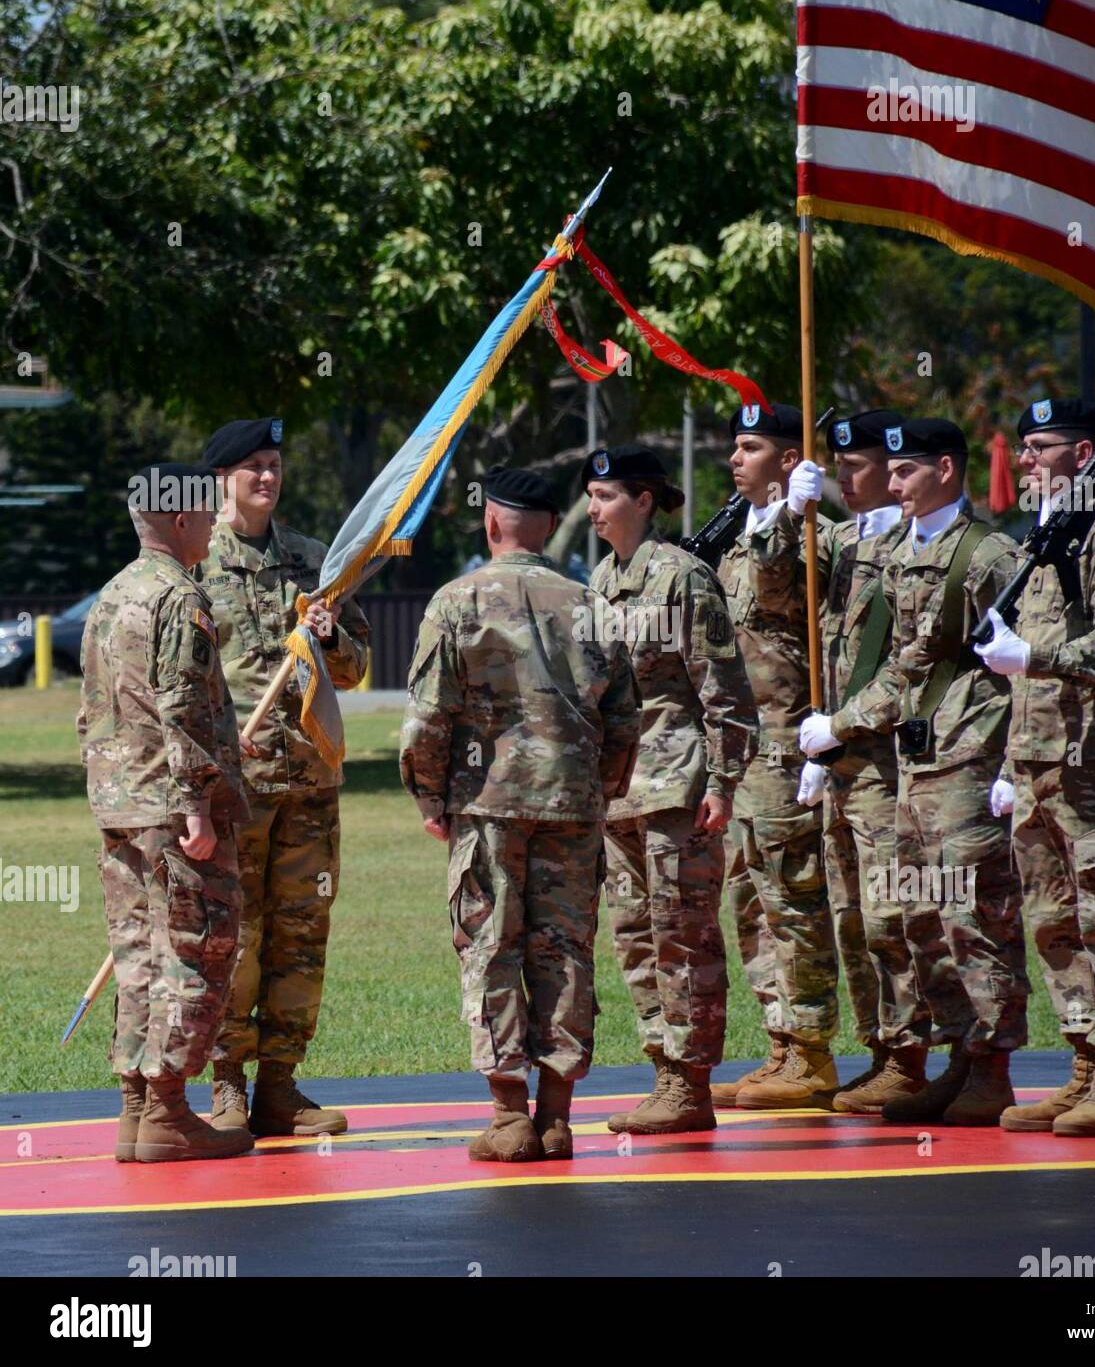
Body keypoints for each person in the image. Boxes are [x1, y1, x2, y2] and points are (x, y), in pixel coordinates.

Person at [401, 466, 639, 1161]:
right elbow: (625, 715)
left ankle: (509, 1117)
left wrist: (429, 797)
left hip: (489, 804)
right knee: (564, 952)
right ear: (542, 527)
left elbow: (427, 717)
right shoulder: (592, 602)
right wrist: (598, 788)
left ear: (491, 523)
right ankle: (558, 1117)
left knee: (491, 947)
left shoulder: (458, 600)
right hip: (572, 804)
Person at [801, 418, 1029, 1125]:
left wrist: (1016, 763)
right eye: (889, 471)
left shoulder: (990, 554)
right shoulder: (897, 552)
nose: (891, 484)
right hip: (913, 760)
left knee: (974, 916)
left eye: (905, 472)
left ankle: (991, 1066)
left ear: (947, 470)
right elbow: (883, 653)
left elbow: (1017, 664)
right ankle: (960, 1055)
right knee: (921, 919)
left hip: (968, 756)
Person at [976, 397, 1095, 1136]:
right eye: (1022, 447)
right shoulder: (1040, 540)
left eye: (1041, 447)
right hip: (1034, 764)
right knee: (1053, 925)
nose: (1025, 460)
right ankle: (1083, 1063)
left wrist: (1036, 657)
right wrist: (1007, 757)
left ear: (1084, 456)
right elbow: (1019, 664)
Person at [198, 418, 370, 1138]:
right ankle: (228, 1084)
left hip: (309, 787)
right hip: (239, 788)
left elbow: (357, 668)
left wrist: (332, 636)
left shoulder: (312, 562)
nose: (267, 478)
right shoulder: (195, 566)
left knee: (301, 936)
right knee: (235, 938)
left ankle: (280, 1085)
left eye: (274, 465)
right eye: (253, 468)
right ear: (222, 480)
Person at [78, 462, 253, 1163]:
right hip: (173, 809)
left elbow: (99, 711)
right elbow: (181, 706)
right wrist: (197, 807)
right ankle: (170, 1107)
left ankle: (136, 1108)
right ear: (180, 520)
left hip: (122, 806)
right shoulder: (181, 598)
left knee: (137, 958)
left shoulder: (111, 595)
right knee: (195, 953)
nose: (214, 523)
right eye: (207, 513)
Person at [586, 445, 759, 1134]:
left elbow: (726, 693)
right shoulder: (600, 579)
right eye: (591, 496)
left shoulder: (685, 577)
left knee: (681, 934)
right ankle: (663, 1068)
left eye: (605, 496)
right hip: (619, 791)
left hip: (678, 784)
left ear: (645, 501)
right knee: (633, 936)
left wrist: (723, 782)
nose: (593, 510)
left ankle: (690, 1082)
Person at [790, 409, 933, 1113]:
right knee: (849, 919)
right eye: (837, 466)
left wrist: (839, 727)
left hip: (891, 763)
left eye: (859, 466)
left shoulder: (917, 547)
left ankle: (912, 1055)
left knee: (891, 918)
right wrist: (792, 515)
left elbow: (912, 664)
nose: (845, 476)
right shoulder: (839, 542)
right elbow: (774, 597)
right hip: (844, 763)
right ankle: (881, 1050)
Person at [709, 401, 842, 1111]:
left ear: (789, 460)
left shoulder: (811, 534)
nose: (735, 458)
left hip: (787, 744)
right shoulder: (742, 535)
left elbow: (781, 594)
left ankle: (813, 1052)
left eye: (751, 447)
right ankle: (781, 1042)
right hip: (741, 752)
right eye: (734, 446)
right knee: (750, 902)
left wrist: (793, 517)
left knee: (792, 900)